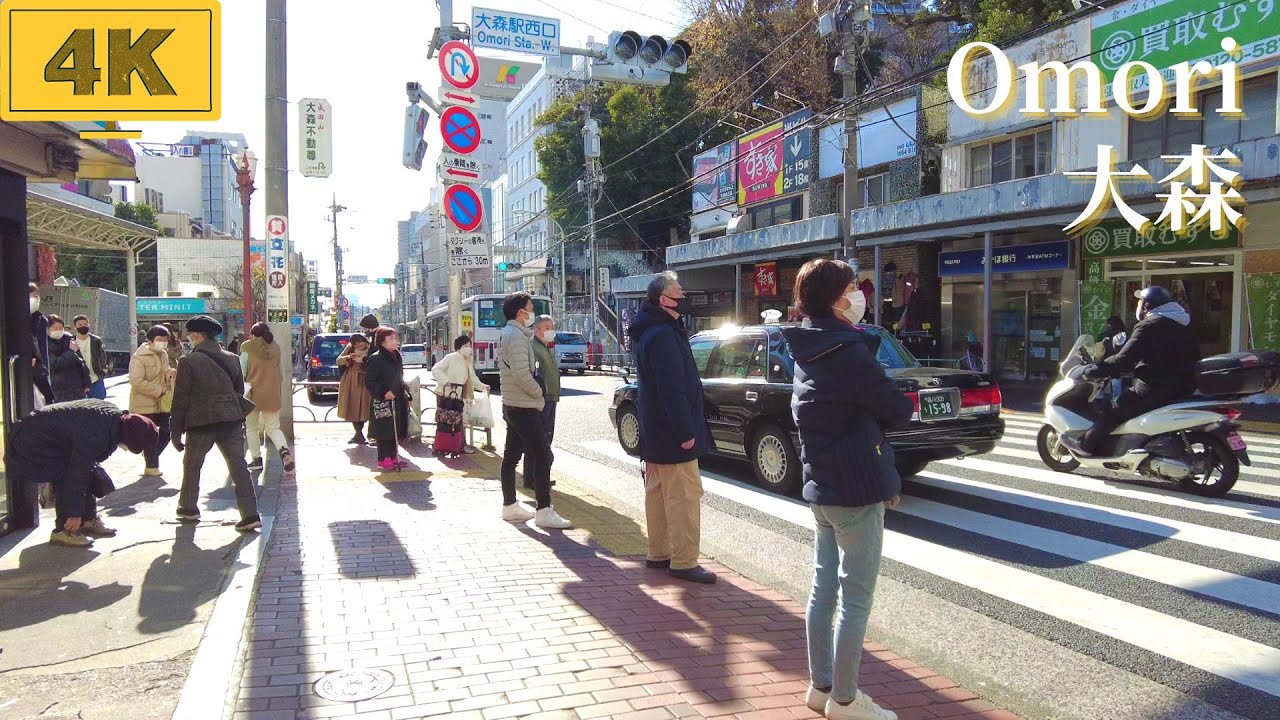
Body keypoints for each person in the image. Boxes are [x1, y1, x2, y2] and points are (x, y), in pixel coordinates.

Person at [781, 258, 913, 720]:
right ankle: (846, 700)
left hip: (823, 486)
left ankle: (821, 688)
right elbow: (896, 410)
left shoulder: (806, 346)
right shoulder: (847, 351)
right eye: (853, 288)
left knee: (823, 589)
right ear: (837, 300)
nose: (860, 295)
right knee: (855, 598)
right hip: (857, 487)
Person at [626, 272, 715, 584]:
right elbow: (673, 389)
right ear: (664, 300)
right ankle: (684, 560)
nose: (685, 295)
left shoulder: (650, 331)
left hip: (655, 432)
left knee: (658, 494)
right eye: (680, 291)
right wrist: (686, 431)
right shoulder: (664, 334)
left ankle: (660, 552)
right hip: (674, 433)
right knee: (684, 497)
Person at [1067, 286, 1200, 457]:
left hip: (1155, 388)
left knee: (1114, 408)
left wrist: (1091, 370)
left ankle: (1086, 445)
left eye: (1140, 302)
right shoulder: (1184, 323)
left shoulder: (1148, 326)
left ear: (1146, 306)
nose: (1138, 305)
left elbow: (1124, 360)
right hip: (1185, 387)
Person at [5, 399, 158, 547]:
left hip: (40, 431)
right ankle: (64, 529)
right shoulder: (97, 434)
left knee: (85, 469)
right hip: (32, 439)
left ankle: (88, 519)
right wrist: (74, 514)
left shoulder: (114, 419)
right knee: (67, 474)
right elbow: (76, 475)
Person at [170, 314, 262, 531]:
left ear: (196, 336)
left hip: (201, 422)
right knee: (239, 466)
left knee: (192, 465)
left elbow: (181, 399)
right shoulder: (231, 358)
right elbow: (238, 390)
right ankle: (250, 515)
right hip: (231, 419)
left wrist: (175, 431)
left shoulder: (188, 361)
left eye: (191, 335)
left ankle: (188, 508)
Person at [496, 292, 571, 529]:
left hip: (514, 404)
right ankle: (543, 510)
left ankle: (510, 505)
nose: (532, 313)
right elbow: (521, 374)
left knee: (511, 457)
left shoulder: (512, 333)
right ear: (521, 312)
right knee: (543, 456)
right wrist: (539, 393)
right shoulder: (517, 337)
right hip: (523, 406)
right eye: (530, 308)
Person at [239, 322, 296, 473]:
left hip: (251, 394)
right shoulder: (276, 347)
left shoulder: (247, 347)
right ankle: (284, 452)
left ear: (252, 334)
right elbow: (282, 374)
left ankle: (256, 460)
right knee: (273, 427)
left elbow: (241, 371)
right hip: (272, 393)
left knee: (251, 429)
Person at [129, 325, 177, 476]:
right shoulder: (138, 357)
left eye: (165, 340)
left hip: (162, 403)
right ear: (150, 340)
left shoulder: (163, 354)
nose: (162, 342)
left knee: (167, 432)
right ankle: (151, 467)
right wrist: (159, 391)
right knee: (151, 435)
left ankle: (150, 455)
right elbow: (136, 381)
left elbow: (162, 374)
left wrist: (169, 373)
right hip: (144, 404)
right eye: (159, 339)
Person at [430, 335, 489, 457]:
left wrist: (482, 386)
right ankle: (442, 445)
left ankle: (457, 445)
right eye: (465, 346)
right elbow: (436, 369)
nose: (468, 348)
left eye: (469, 346)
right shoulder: (451, 357)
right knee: (445, 421)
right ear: (458, 348)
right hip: (445, 394)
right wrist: (445, 381)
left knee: (458, 421)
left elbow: (472, 378)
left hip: (458, 395)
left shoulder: (467, 360)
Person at [364, 326, 410, 471]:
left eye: (395, 338)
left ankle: (394, 455)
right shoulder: (375, 358)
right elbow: (370, 381)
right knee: (384, 430)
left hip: (397, 398)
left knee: (395, 428)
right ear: (382, 341)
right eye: (391, 339)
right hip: (383, 400)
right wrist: (384, 392)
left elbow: (400, 378)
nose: (395, 341)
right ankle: (383, 459)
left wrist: (406, 391)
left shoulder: (396, 356)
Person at [524, 315, 560, 488]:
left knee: (545, 438)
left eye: (552, 327)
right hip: (542, 399)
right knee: (539, 439)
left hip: (550, 398)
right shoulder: (534, 348)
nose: (551, 331)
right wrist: (541, 393)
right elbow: (535, 376)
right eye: (547, 327)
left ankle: (539, 476)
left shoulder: (545, 347)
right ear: (537, 329)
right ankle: (533, 479)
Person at [336, 333, 373, 445]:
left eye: (360, 344)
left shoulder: (372, 348)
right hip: (351, 380)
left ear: (364, 341)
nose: (359, 347)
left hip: (365, 379)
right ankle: (358, 433)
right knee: (352, 406)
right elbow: (338, 360)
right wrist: (348, 358)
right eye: (356, 346)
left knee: (364, 407)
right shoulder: (350, 347)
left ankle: (361, 433)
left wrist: (364, 360)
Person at [46, 314, 91, 403]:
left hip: (76, 389)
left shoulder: (69, 340)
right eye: (55, 329)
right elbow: (54, 364)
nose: (58, 331)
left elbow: (81, 364)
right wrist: (71, 352)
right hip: (57, 390)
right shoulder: (44, 344)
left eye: (61, 328)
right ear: (47, 329)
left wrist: (86, 383)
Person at [73, 314, 110, 399]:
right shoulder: (71, 341)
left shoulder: (96, 340)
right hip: (78, 380)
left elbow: (102, 357)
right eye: (80, 325)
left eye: (85, 324)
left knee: (98, 403)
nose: (83, 326)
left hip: (95, 378)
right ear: (75, 327)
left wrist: (104, 371)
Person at [29, 283, 54, 405]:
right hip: (25, 363)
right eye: (34, 295)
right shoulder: (12, 316)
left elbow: (43, 347)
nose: (37, 299)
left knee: (48, 397)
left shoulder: (40, 319)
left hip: (39, 365)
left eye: (37, 296)